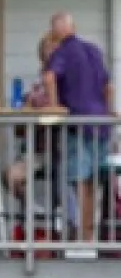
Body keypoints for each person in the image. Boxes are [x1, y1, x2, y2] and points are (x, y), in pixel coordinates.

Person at [42, 13, 112, 247]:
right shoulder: (93, 50)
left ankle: (82, 238)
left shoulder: (63, 51)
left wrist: (54, 106)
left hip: (78, 123)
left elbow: (51, 77)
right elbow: (108, 86)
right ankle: (89, 237)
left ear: (57, 31)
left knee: (80, 181)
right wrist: (110, 112)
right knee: (94, 182)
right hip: (101, 123)